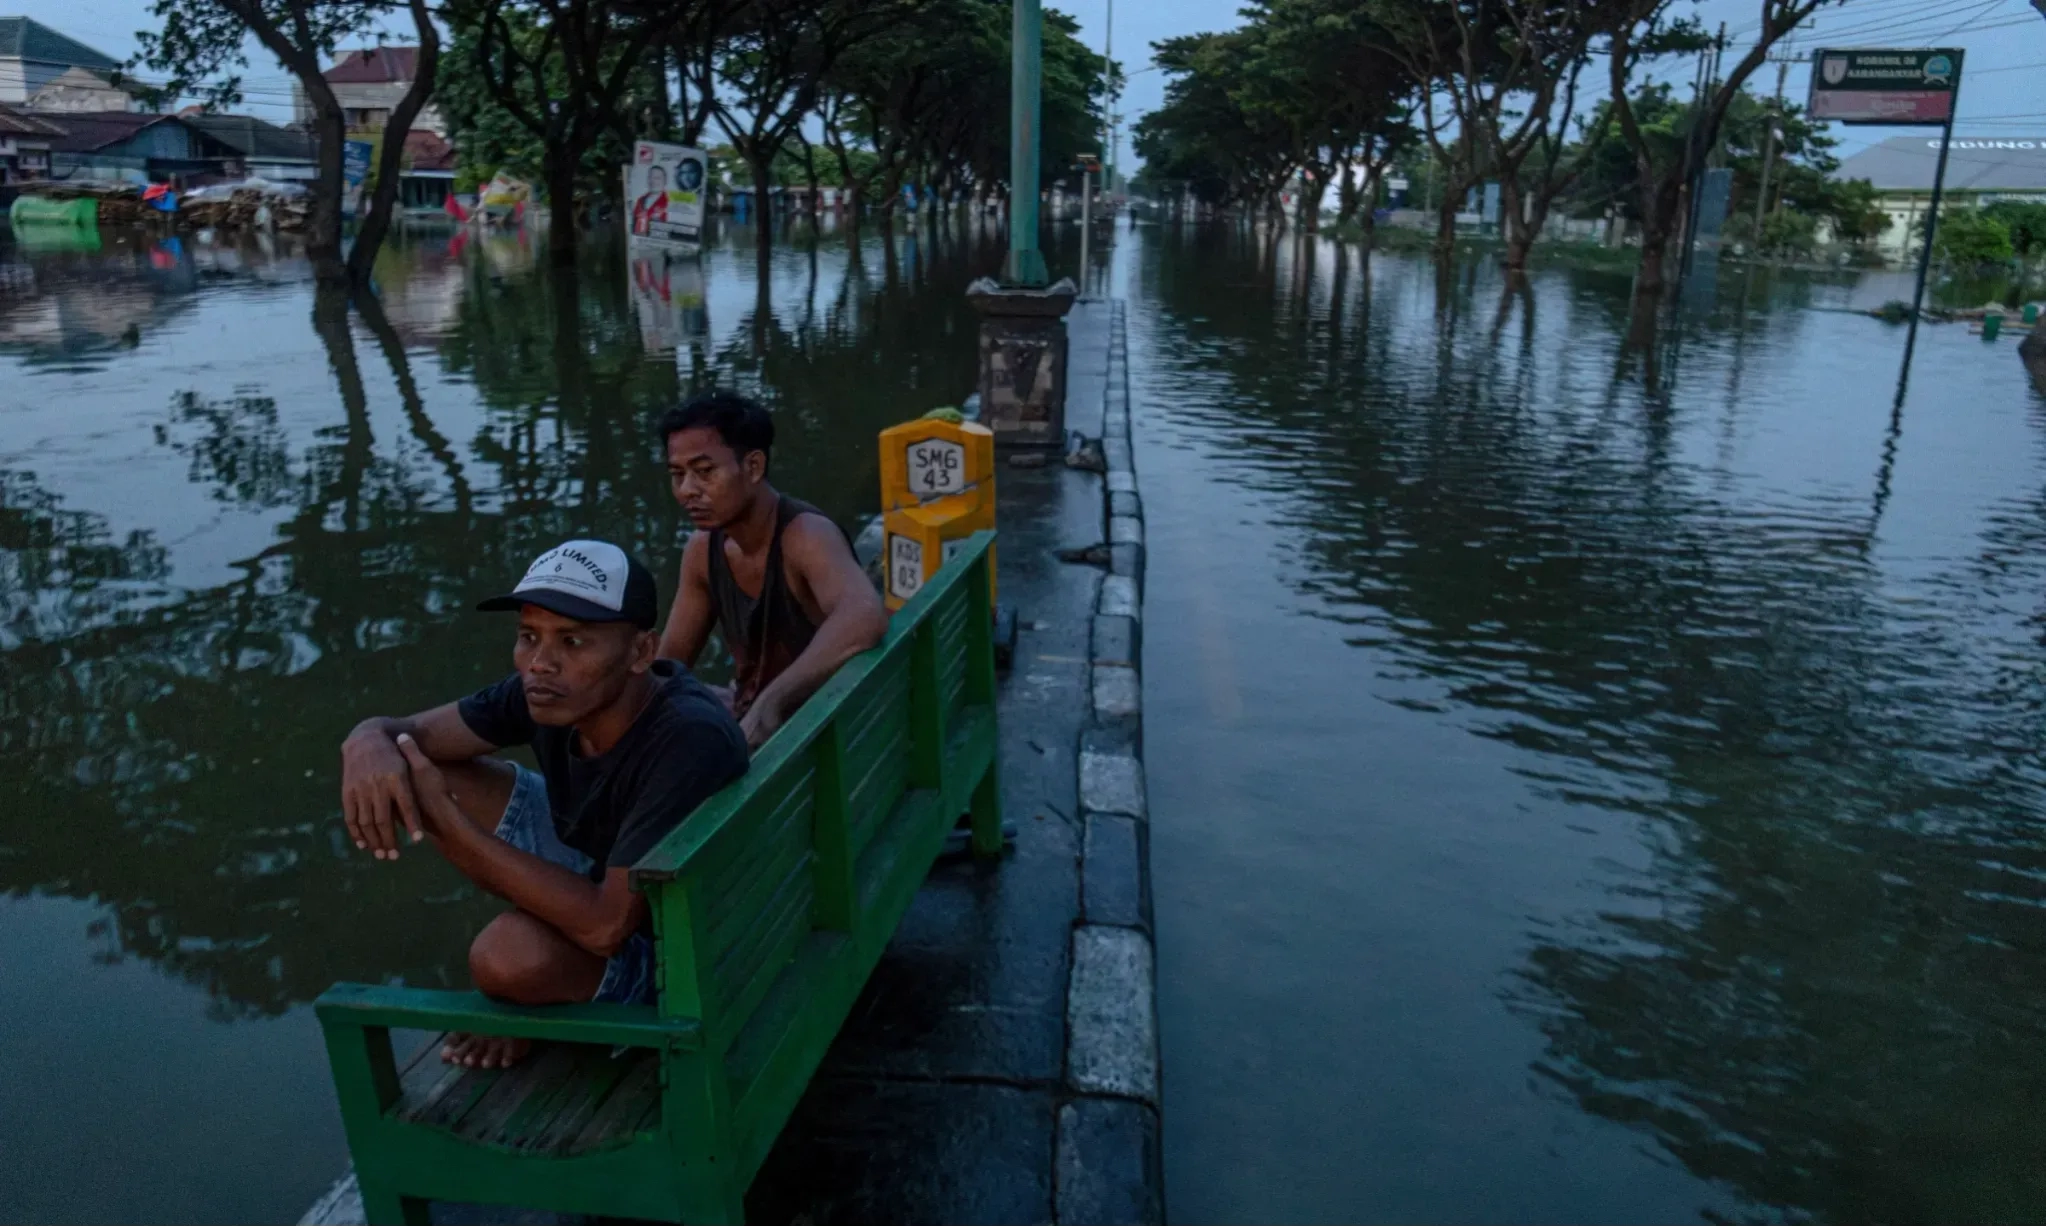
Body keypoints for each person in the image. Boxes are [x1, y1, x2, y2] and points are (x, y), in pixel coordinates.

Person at [339, 539, 747, 1069]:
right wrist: (365, 735)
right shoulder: (547, 689)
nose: (540, 663)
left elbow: (606, 927)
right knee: (418, 768)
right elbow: (410, 735)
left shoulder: (687, 738)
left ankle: (552, 992)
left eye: (573, 641)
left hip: (678, 951)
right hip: (616, 884)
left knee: (504, 959)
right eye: (528, 637)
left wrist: (453, 829)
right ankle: (548, 980)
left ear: (642, 653)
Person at [656, 391, 889, 748]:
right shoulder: (703, 551)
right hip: (756, 722)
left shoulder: (805, 536)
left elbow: (864, 614)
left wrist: (770, 702)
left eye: (704, 472)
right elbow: (669, 664)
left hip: (827, 734)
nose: (687, 490)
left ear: (753, 467)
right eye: (677, 474)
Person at [631, 164, 669, 237]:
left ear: (665, 181)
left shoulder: (668, 204)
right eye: (650, 177)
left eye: (657, 178)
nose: (653, 181)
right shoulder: (640, 200)